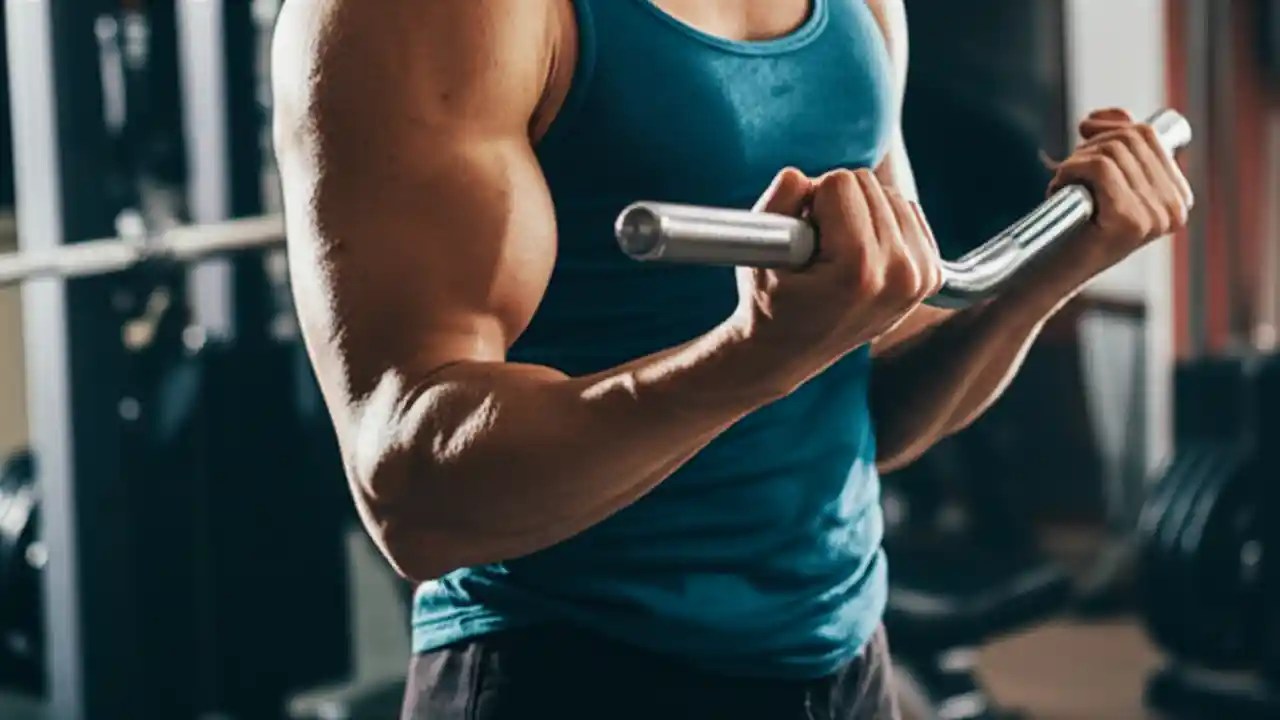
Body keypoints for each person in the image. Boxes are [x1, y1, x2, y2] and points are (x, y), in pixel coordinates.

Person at [270, 1, 1192, 718]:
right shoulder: (438, 16)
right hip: (568, 669)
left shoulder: (862, 10)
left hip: (843, 665)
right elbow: (417, 495)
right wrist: (755, 357)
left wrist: (1049, 273)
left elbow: (875, 414)